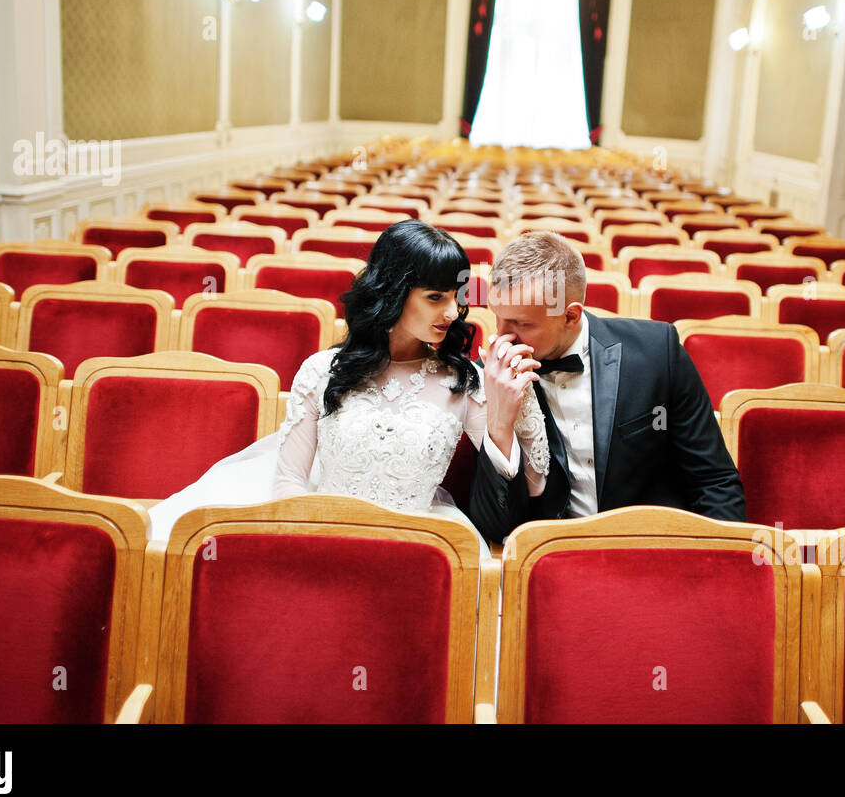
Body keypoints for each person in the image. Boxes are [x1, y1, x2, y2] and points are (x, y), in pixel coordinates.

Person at [148, 220, 550, 553]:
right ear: (394, 294)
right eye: (434, 297)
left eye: (455, 298)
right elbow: (289, 482)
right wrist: (318, 544)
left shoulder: (463, 381)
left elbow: (528, 488)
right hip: (322, 535)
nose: (452, 312)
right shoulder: (321, 371)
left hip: (417, 545)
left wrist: (507, 411)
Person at [466, 231, 745, 544]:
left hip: (650, 551)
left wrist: (718, 564)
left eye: (522, 323)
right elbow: (494, 528)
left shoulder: (656, 353)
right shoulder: (487, 377)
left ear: (571, 316)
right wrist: (499, 425)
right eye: (497, 317)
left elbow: (714, 481)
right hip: (551, 563)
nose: (502, 336)